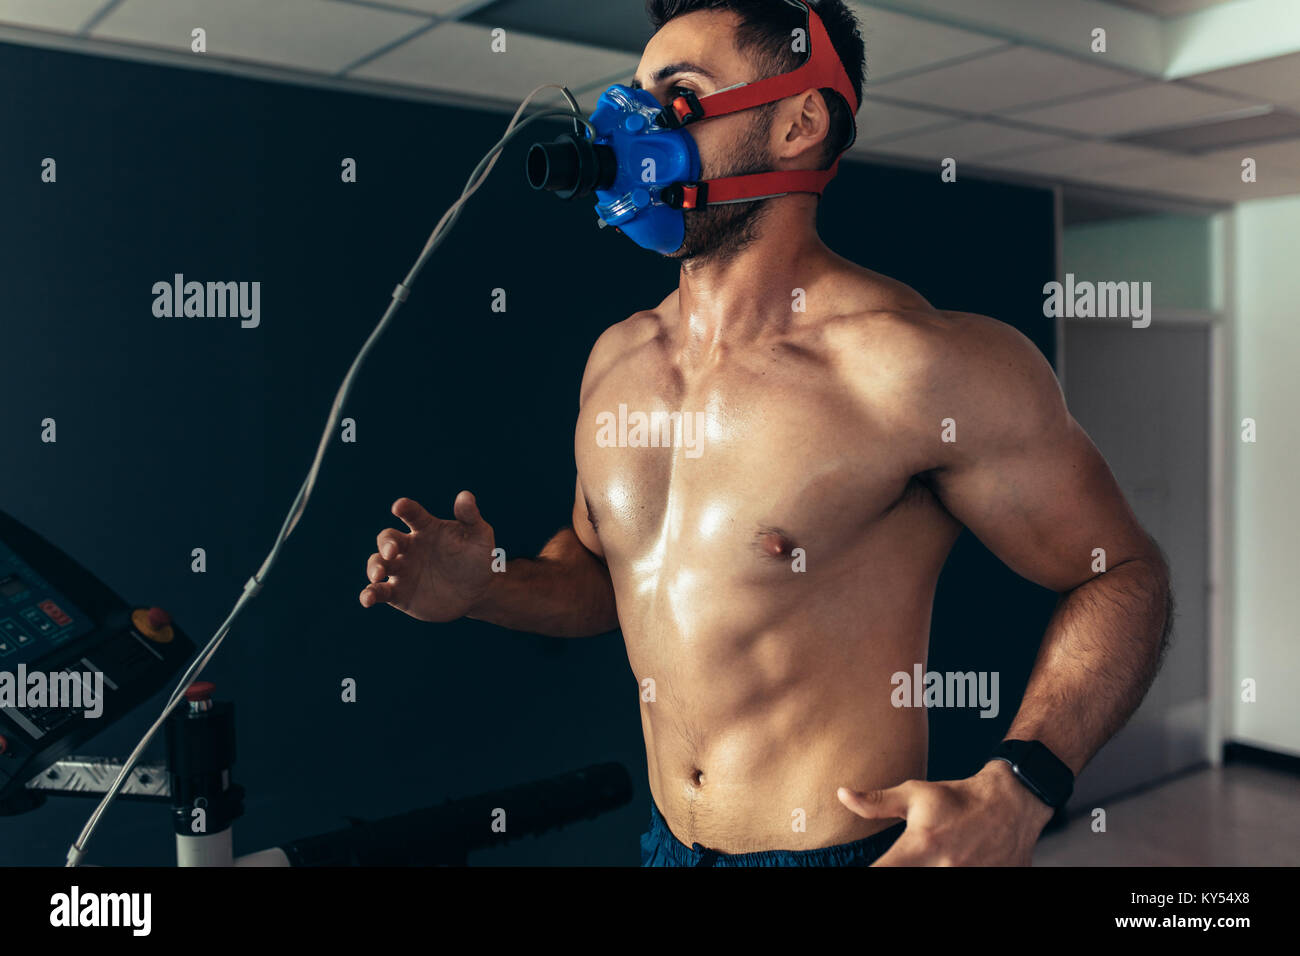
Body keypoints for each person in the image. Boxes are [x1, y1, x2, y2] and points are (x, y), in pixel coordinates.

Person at [359, 0, 1171, 866]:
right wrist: (485, 586)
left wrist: (1021, 787)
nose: (626, 122)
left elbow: (1123, 575)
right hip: (668, 846)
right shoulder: (617, 361)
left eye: (677, 94)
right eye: (632, 90)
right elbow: (604, 577)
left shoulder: (909, 367)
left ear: (798, 122)